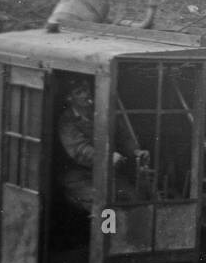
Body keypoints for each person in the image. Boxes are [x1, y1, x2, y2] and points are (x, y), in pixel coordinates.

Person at [56, 79, 147, 213]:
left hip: (107, 172)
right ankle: (107, 232)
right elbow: (80, 150)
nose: (85, 95)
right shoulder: (67, 121)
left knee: (134, 197)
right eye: (78, 92)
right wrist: (107, 158)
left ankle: (123, 232)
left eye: (85, 90)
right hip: (79, 176)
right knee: (104, 204)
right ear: (69, 98)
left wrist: (136, 152)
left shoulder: (101, 111)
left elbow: (123, 136)